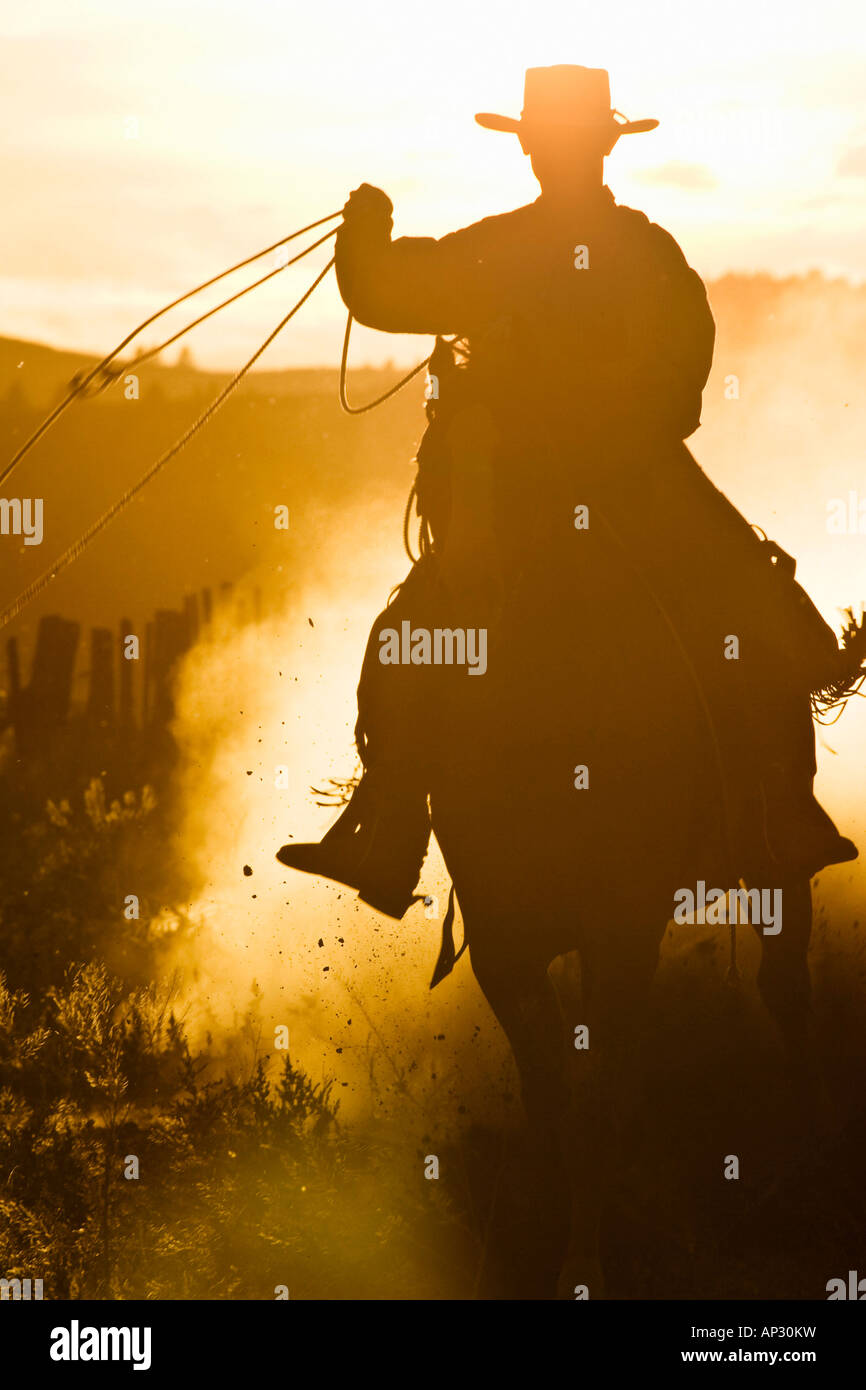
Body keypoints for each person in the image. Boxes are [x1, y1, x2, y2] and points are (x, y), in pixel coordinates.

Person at [278, 65, 856, 918]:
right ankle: (778, 821)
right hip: (647, 484)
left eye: (554, 145)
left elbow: (384, 291)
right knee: (752, 602)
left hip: (526, 501)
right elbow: (688, 365)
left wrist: (366, 228)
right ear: (598, 147)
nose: (554, 159)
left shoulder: (501, 248)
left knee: (412, 635)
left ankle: (391, 830)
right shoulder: (647, 251)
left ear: (540, 151)